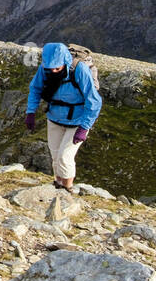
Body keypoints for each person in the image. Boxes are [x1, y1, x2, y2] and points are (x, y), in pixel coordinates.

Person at [25, 42, 102, 191]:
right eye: (50, 68)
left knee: (65, 157)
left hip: (77, 121)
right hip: (54, 118)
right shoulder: (44, 69)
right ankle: (58, 184)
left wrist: (84, 127)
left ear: (65, 62)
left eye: (57, 68)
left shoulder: (79, 70)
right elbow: (35, 89)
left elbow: (94, 101)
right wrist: (30, 112)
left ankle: (68, 189)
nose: (53, 71)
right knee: (55, 156)